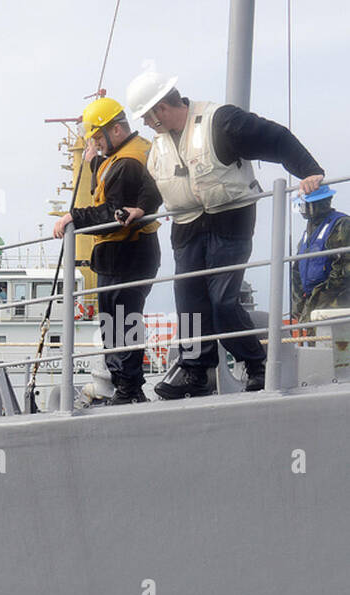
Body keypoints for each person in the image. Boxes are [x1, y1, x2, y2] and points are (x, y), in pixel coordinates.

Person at [126, 70, 325, 398]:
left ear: (161, 109)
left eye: (147, 116)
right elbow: (155, 184)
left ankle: (255, 363)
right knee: (189, 300)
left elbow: (275, 138)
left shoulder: (221, 121)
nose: (147, 124)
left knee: (222, 301)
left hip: (229, 219)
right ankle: (195, 371)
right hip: (187, 225)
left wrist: (309, 171)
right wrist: (140, 208)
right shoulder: (159, 146)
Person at [52, 96, 162, 404]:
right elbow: (116, 193)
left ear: (115, 130)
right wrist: (95, 161)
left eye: (99, 138)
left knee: (120, 323)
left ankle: (128, 390)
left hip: (126, 254)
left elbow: (113, 214)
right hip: (128, 254)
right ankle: (127, 387)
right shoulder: (130, 153)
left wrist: (75, 215)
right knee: (118, 322)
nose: (97, 145)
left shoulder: (126, 164)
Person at [291, 186, 350, 325]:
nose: (301, 210)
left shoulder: (342, 224)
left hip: (335, 301)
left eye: (304, 206)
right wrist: (298, 302)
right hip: (312, 303)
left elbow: (344, 269)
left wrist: (321, 296)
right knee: (312, 343)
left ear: (317, 204)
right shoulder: (309, 232)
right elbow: (297, 268)